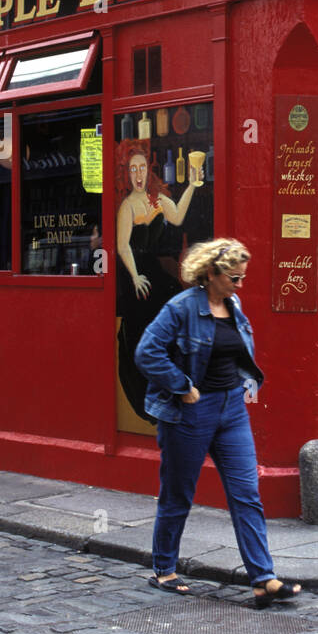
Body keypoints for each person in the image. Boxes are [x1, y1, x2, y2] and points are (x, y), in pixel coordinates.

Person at [134, 238, 301, 608]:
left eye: (242, 278)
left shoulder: (232, 303)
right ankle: (164, 569)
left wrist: (242, 385)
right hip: (189, 412)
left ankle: (263, 580)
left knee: (247, 495)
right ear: (210, 273)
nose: (240, 285)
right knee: (179, 494)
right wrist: (182, 387)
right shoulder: (181, 308)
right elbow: (146, 352)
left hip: (231, 411)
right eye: (234, 278)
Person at [116, 139, 197, 424]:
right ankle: (155, 408)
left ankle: (166, 407)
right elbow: (123, 246)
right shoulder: (126, 206)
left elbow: (177, 217)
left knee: (164, 346)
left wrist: (192, 186)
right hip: (139, 289)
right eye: (132, 169)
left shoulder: (158, 199)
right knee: (141, 349)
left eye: (142, 168)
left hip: (161, 287)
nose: (138, 174)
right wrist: (136, 273)